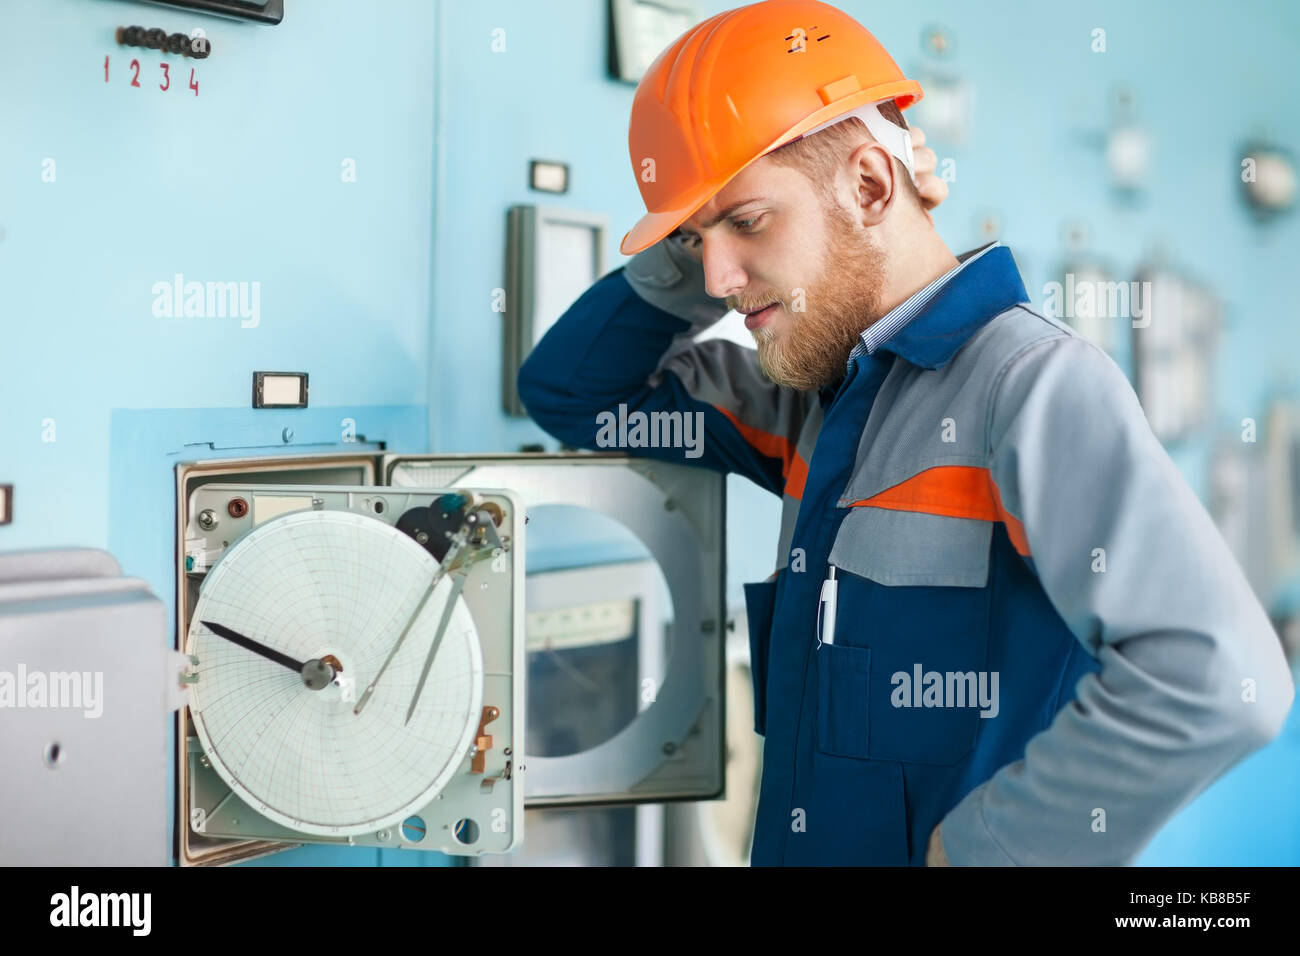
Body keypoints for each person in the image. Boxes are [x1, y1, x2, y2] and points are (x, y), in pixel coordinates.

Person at [516, 0, 1295, 865]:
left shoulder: (1031, 388)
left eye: (746, 221)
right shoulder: (810, 404)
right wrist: (696, 233)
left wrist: (980, 851)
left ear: (872, 187)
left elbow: (1221, 681)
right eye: (699, 241)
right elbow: (573, 392)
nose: (721, 276)